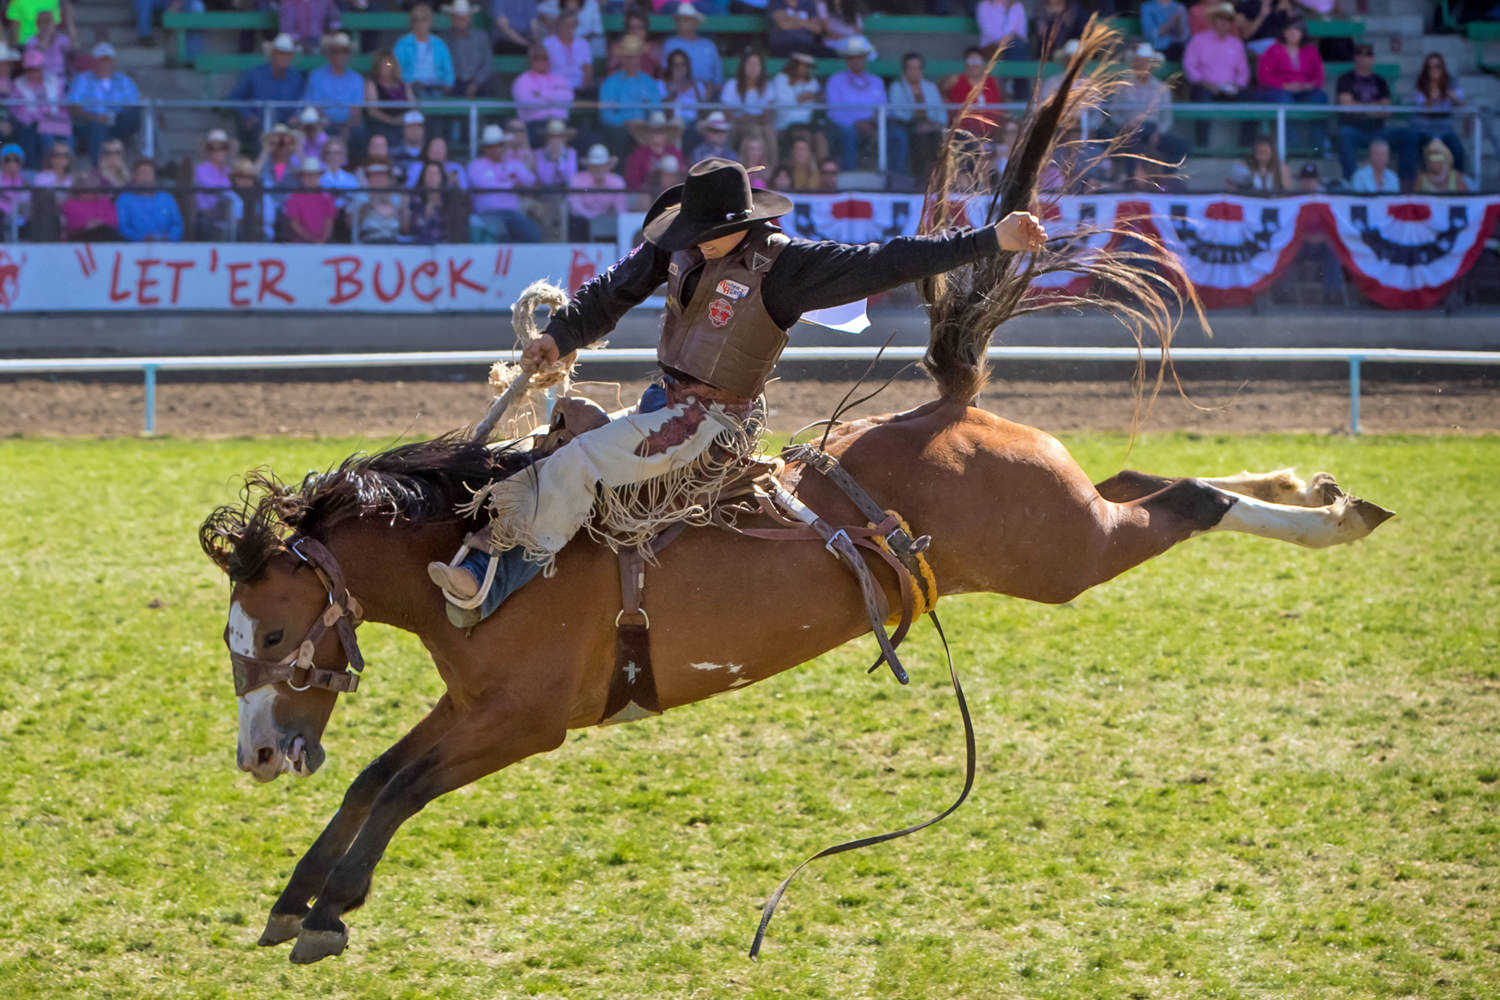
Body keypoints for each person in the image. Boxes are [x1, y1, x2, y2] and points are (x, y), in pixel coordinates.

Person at [424, 157, 1049, 625]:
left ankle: (487, 579)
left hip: (709, 425)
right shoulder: (678, 248)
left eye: (706, 231)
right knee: (558, 430)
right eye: (689, 230)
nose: (694, 241)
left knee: (579, 460)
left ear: (742, 223)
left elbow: (887, 259)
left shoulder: (788, 268)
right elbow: (611, 289)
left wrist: (991, 239)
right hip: (663, 406)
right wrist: (559, 336)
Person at [1104, 43, 1190, 189]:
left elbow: (1166, 117)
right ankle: (1135, 178)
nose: (1142, 66)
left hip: (1152, 129)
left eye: (1145, 63)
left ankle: (1162, 174)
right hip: (1129, 128)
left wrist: (1159, 132)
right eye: (1139, 62)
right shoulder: (1123, 86)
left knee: (1183, 147)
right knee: (1133, 139)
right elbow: (1114, 112)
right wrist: (1123, 125)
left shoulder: (1161, 88)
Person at [825, 37, 905, 174]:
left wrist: (875, 124)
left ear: (866, 58)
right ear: (846, 59)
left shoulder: (876, 82)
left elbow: (884, 109)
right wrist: (857, 124)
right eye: (851, 57)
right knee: (848, 134)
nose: (856, 61)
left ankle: (897, 178)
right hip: (847, 128)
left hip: (874, 127)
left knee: (898, 135)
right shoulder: (835, 80)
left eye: (860, 57)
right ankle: (849, 176)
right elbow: (834, 112)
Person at [1253, 18, 1326, 148]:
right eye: (1289, 29)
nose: (1293, 32)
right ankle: (1291, 145)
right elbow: (1263, 77)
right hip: (1278, 91)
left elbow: (1319, 77)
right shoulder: (1272, 50)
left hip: (1303, 92)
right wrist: (1284, 86)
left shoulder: (1311, 51)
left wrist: (1307, 86)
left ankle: (1318, 145)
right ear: (1284, 32)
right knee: (1283, 99)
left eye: (1297, 29)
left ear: (1302, 33)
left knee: (1320, 98)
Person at [227, 34, 306, 151]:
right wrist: (248, 115)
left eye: (288, 54)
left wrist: (296, 115)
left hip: (287, 126)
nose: (284, 57)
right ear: (273, 54)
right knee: (264, 131)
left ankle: (290, 167)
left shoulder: (296, 77)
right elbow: (235, 98)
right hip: (259, 125)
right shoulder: (254, 74)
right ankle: (264, 166)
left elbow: (301, 102)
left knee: (301, 133)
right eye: (281, 53)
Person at [67, 43, 143, 163]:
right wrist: (95, 117)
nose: (104, 65)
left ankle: (144, 160)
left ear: (113, 62)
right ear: (94, 62)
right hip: (90, 122)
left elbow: (134, 104)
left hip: (117, 122)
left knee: (135, 114)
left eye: (107, 61)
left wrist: (113, 116)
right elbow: (74, 106)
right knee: (98, 127)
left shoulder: (124, 80)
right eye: (101, 61)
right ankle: (97, 169)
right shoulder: (82, 79)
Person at [467, 122, 541, 241]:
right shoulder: (476, 165)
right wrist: (512, 185)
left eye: (500, 145)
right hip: (488, 213)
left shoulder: (514, 163)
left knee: (533, 234)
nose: (497, 149)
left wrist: (526, 184)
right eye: (492, 145)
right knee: (500, 234)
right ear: (485, 148)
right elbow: (482, 185)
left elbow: (534, 182)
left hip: (513, 213)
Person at [1334, 42, 1391, 182]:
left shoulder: (1380, 81)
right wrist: (1373, 108)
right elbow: (1346, 105)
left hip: (1377, 130)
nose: (1364, 57)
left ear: (1373, 58)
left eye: (1368, 54)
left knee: (1408, 137)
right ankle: (1353, 182)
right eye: (1360, 53)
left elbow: (1387, 110)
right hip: (1353, 128)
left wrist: (1359, 107)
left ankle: (1406, 186)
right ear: (1354, 57)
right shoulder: (1345, 79)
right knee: (1345, 134)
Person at [887, 51, 944, 181]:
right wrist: (915, 120)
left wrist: (933, 124)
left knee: (937, 137)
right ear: (905, 70)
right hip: (907, 125)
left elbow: (940, 112)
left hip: (931, 126)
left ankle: (936, 177)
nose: (915, 71)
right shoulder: (897, 87)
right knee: (920, 138)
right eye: (911, 68)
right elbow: (896, 112)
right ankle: (920, 178)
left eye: (917, 68)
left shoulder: (931, 87)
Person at [1410, 53, 1467, 180]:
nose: (1434, 70)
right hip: (1424, 129)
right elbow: (1420, 106)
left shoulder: (1451, 82)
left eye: (1437, 66)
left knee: (1458, 150)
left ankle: (1459, 184)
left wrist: (1449, 94)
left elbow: (1462, 103)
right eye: (1430, 67)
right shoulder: (1419, 83)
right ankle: (1423, 184)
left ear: (1443, 67)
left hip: (1445, 129)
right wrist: (1432, 98)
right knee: (1423, 152)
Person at [598, 35, 661, 147]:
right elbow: (606, 115)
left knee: (657, 134)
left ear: (640, 58)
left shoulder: (649, 82)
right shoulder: (610, 83)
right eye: (628, 56)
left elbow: (656, 109)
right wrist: (626, 122)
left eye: (635, 56)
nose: (632, 60)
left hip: (646, 128)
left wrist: (644, 124)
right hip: (621, 128)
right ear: (622, 58)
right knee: (619, 134)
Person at [12, 49, 70, 169]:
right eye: (30, 69)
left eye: (37, 69)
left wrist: (58, 117)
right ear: (25, 70)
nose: (33, 72)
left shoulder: (54, 81)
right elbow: (17, 111)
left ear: (42, 68)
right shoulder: (18, 84)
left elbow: (63, 106)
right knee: (45, 136)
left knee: (68, 137)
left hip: (55, 121)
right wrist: (40, 115)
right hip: (31, 123)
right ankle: (48, 171)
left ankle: (66, 171)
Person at [304, 33, 366, 140]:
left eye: (344, 51)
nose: (340, 55)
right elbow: (316, 108)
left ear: (349, 54)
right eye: (336, 51)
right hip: (323, 123)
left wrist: (346, 126)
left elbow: (356, 112)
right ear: (329, 54)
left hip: (349, 126)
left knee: (360, 134)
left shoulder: (357, 79)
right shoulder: (316, 76)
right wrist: (329, 124)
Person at [1184, 3, 1248, 104]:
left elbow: (1243, 71)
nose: (1224, 22)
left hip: (1230, 89)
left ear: (1231, 23)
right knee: (1202, 94)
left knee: (1247, 99)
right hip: (1204, 87)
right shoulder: (1198, 40)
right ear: (1214, 20)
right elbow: (1189, 65)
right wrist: (1206, 84)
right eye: (1221, 18)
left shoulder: (1236, 44)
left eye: (1228, 19)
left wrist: (1237, 85)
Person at [513, 45, 576, 147]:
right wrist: (555, 98)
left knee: (584, 140)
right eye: (536, 58)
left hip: (561, 124)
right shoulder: (522, 81)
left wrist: (541, 94)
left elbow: (568, 98)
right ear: (529, 61)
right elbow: (527, 104)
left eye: (545, 58)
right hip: (535, 125)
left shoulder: (559, 78)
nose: (541, 61)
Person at [566, 143, 626, 239]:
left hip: (608, 223)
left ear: (608, 166)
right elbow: (576, 209)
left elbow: (620, 210)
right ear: (588, 166)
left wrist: (605, 218)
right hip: (584, 222)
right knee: (578, 223)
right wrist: (596, 217)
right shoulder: (577, 180)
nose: (599, 169)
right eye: (594, 166)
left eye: (602, 165)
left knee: (617, 224)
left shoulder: (617, 182)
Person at [394, 4, 455, 98]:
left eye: (424, 19)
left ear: (430, 22)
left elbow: (448, 69)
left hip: (436, 84)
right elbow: (396, 69)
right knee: (422, 94)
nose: (420, 24)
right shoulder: (403, 44)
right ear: (411, 23)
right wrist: (406, 84)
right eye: (416, 20)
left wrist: (447, 84)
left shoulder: (439, 44)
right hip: (412, 84)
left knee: (436, 94)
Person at [720, 48, 774, 153]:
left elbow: (768, 115)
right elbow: (727, 114)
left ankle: (771, 166)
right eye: (750, 64)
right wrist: (749, 120)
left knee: (765, 131)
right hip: (736, 127)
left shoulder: (768, 87)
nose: (753, 68)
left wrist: (746, 118)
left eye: (756, 64)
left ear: (761, 68)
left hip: (758, 126)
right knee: (752, 130)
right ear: (743, 66)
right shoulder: (731, 85)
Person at [770, 51, 822, 160]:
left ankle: (822, 168)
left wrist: (816, 97)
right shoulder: (780, 79)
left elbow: (817, 105)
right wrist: (799, 99)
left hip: (807, 123)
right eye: (805, 66)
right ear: (794, 64)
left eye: (810, 67)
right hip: (785, 124)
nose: (808, 69)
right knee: (804, 135)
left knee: (820, 137)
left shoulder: (813, 82)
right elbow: (780, 105)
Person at [116, 159, 182, 242]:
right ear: (134, 176)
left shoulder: (167, 198)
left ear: (154, 176)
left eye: (149, 173)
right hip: (132, 250)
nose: (145, 177)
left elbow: (177, 225)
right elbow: (122, 227)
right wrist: (141, 238)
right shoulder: (124, 199)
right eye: (142, 173)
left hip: (166, 248)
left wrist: (169, 238)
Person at [945, 46, 1003, 140]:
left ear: (983, 64)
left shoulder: (992, 82)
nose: (974, 65)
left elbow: (1001, 105)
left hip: (991, 130)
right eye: (971, 61)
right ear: (965, 64)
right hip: (963, 131)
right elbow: (941, 93)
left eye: (977, 61)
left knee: (1010, 127)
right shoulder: (955, 80)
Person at [662, 3, 721, 90]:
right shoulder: (670, 44)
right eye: (679, 20)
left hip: (707, 90)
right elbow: (665, 72)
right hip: (678, 91)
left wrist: (708, 92)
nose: (682, 23)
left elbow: (717, 76)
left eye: (686, 20)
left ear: (696, 23)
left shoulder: (709, 45)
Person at [280, 156, 337, 242]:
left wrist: (322, 240)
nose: (311, 179)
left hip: (322, 245)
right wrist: (311, 239)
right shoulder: (294, 197)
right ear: (302, 178)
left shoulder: (327, 197)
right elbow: (294, 224)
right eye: (308, 175)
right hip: (299, 246)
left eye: (314, 175)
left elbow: (329, 222)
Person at [444, 0, 493, 99]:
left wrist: (475, 84)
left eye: (464, 16)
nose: (461, 19)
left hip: (480, 82)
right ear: (452, 18)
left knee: (489, 86)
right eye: (457, 17)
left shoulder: (481, 36)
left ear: (470, 17)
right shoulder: (445, 39)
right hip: (455, 83)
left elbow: (487, 64)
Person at [364, 52, 414, 147]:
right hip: (381, 124)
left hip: (402, 122)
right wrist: (391, 120)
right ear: (377, 66)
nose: (387, 67)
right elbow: (372, 111)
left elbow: (412, 106)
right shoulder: (372, 84)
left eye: (389, 64)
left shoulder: (403, 84)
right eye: (383, 64)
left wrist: (401, 119)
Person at [624, 111, 684, 189]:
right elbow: (632, 181)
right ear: (648, 133)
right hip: (644, 193)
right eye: (654, 131)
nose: (657, 134)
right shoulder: (638, 154)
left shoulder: (675, 153)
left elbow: (681, 177)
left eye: (661, 131)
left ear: (667, 134)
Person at [193, 127, 234, 238]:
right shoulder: (200, 169)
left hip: (226, 215)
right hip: (207, 215)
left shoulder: (229, 170)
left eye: (222, 148)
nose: (218, 152)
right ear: (207, 150)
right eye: (212, 148)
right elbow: (214, 188)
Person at [355, 159, 407, 241]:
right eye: (375, 175)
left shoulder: (398, 198)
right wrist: (368, 205)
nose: (378, 179)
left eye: (382, 175)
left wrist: (400, 210)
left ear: (389, 179)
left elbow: (405, 228)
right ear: (368, 178)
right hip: (367, 243)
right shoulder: (361, 196)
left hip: (394, 243)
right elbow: (351, 224)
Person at [542, 8, 594, 91]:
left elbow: (587, 68)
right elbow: (542, 69)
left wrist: (582, 87)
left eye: (573, 24)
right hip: (555, 88)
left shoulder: (583, 44)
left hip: (578, 88)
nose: (569, 28)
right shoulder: (547, 43)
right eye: (566, 24)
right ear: (559, 25)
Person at [661, 49, 709, 137]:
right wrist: (672, 93)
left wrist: (696, 92)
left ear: (688, 66)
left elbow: (704, 113)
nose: (680, 68)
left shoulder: (698, 86)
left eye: (683, 64)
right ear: (670, 67)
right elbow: (662, 113)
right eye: (676, 65)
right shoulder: (662, 84)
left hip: (694, 125)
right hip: (672, 124)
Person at [62, 171, 120, 240]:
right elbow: (71, 224)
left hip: (103, 232)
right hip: (82, 235)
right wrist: (86, 224)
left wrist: (100, 222)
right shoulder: (70, 204)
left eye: (91, 182)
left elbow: (113, 219)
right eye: (85, 183)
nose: (88, 185)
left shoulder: (104, 201)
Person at [607, 7, 663, 78]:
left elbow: (660, 76)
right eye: (632, 28)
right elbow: (611, 76)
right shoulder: (617, 48)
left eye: (640, 28)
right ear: (627, 30)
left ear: (646, 29)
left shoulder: (654, 49)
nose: (635, 32)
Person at [408, 159, 455, 243]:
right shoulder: (415, 200)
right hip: (418, 249)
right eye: (429, 173)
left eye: (435, 174)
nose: (432, 176)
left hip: (446, 250)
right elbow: (411, 227)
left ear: (441, 177)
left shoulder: (449, 200)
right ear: (423, 177)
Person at [24, 8, 68, 79]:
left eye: (48, 22)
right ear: (37, 24)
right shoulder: (31, 41)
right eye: (42, 22)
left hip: (59, 79)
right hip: (39, 80)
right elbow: (32, 62)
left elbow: (73, 51)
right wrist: (45, 38)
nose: (45, 25)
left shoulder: (62, 39)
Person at [534, 117, 578, 186]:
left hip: (566, 194)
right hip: (545, 194)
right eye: (552, 137)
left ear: (565, 138)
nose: (556, 140)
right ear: (547, 138)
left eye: (559, 136)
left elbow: (571, 180)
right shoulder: (538, 153)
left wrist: (559, 161)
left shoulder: (571, 153)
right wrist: (552, 158)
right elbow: (545, 180)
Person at [0, 143, 32, 237]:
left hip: (19, 218)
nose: (12, 163)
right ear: (1, 161)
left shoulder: (25, 182)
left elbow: (26, 203)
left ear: (21, 162)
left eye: (16, 160)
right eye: (7, 159)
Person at [393, 110, 428, 174]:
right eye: (410, 127)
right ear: (403, 129)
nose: (414, 130)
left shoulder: (430, 152)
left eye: (418, 127)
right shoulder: (394, 154)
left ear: (423, 130)